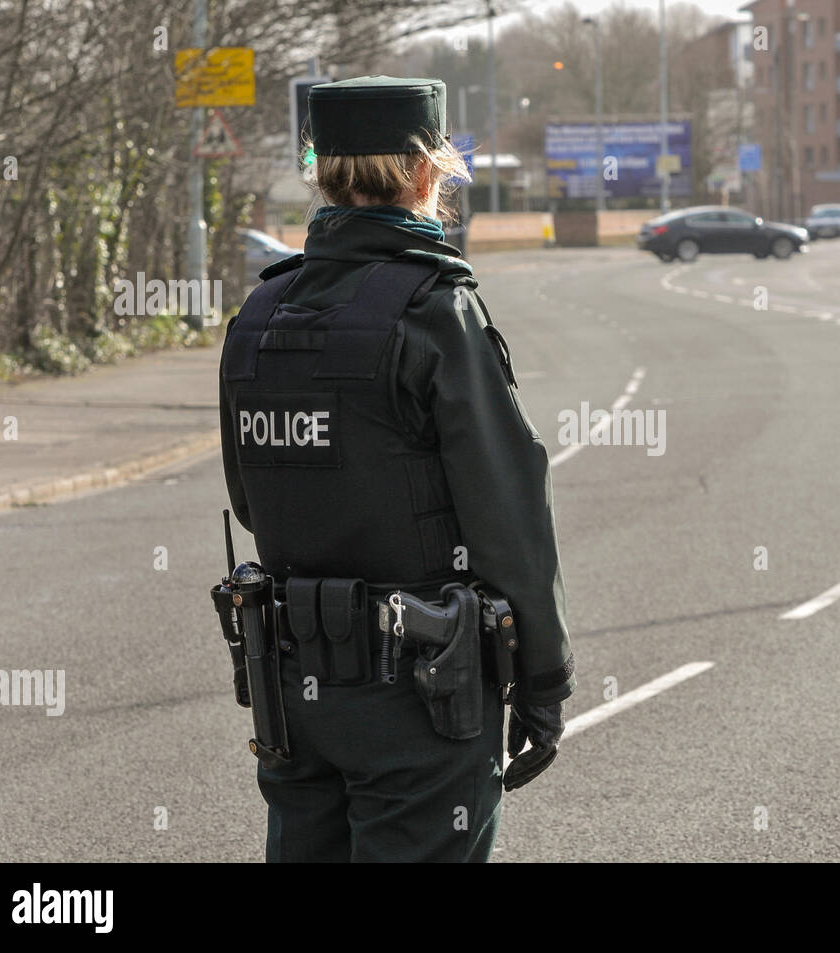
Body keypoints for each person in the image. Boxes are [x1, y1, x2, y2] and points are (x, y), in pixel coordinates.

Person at [216, 76, 575, 862]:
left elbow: (250, 500)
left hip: (293, 693)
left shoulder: (258, 318)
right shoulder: (434, 310)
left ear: (322, 173)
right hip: (421, 696)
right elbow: (507, 512)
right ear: (423, 173)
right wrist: (544, 680)